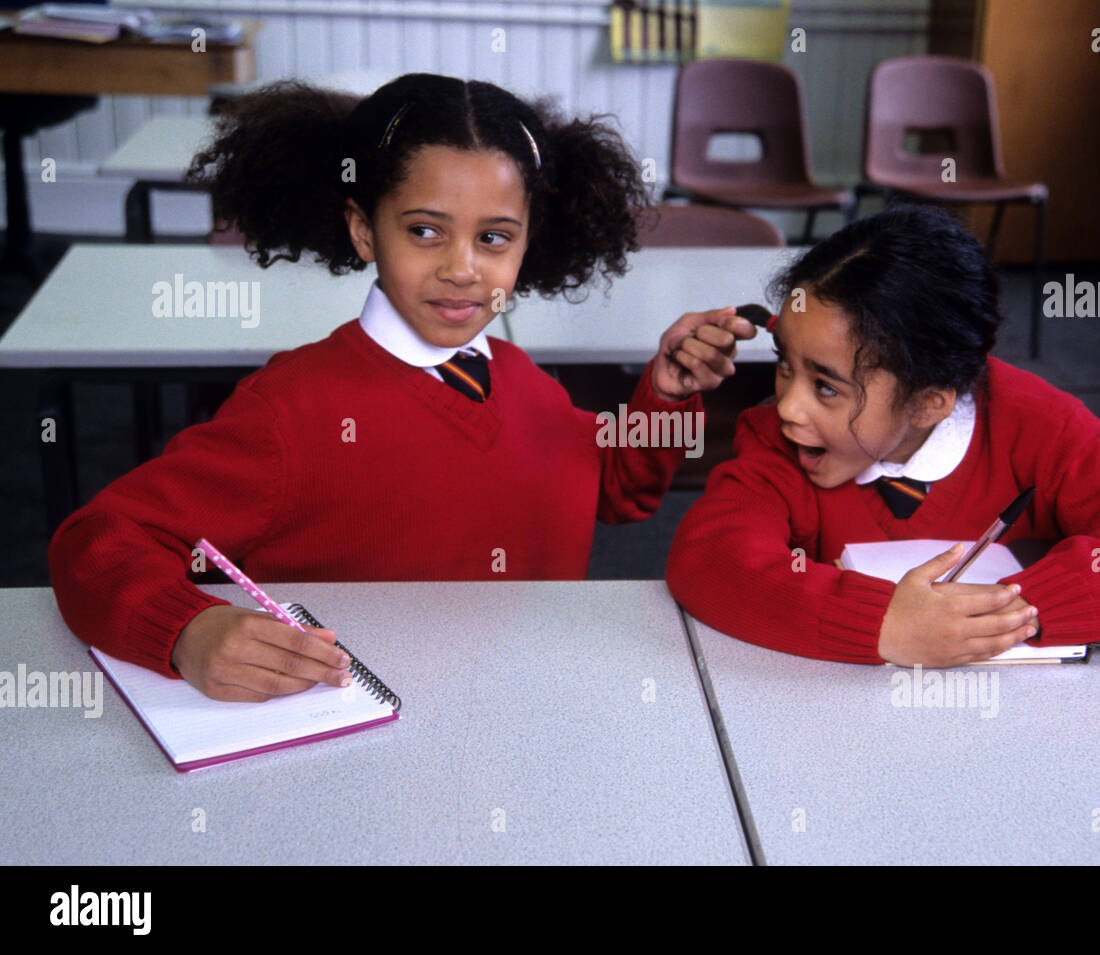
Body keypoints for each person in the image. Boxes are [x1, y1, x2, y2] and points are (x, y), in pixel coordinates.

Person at [49, 73, 754, 700]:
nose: (463, 268)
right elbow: (94, 542)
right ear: (363, 231)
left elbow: (614, 485)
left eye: (495, 238)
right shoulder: (290, 411)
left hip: (526, 710)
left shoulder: (525, 382)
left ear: (528, 239)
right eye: (425, 231)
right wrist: (186, 630)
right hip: (354, 737)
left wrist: (665, 393)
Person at [666, 204, 1100, 667]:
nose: (787, 405)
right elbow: (711, 558)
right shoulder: (777, 441)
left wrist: (1002, 615)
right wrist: (883, 625)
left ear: (928, 403)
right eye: (785, 364)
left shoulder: (1038, 426)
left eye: (826, 387)